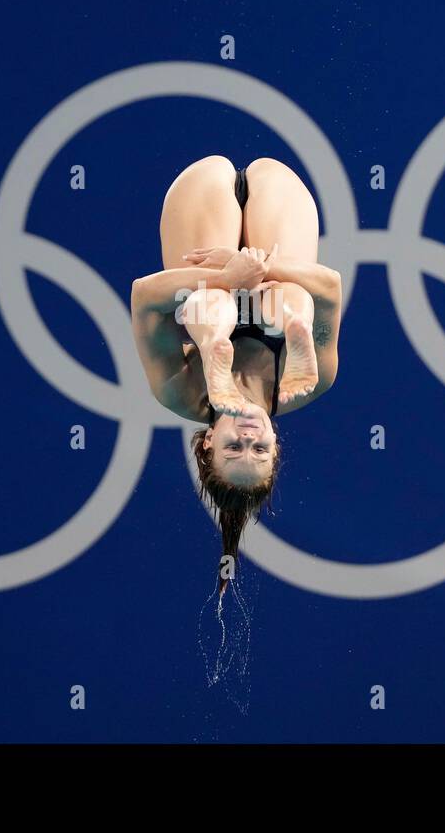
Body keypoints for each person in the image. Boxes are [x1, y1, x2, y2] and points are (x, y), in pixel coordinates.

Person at [130, 156, 343, 594]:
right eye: (259, 447)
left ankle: (212, 344)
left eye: (235, 446)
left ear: (208, 441)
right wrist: (262, 269)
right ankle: (293, 328)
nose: (249, 433)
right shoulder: (311, 381)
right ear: (276, 445)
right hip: (276, 245)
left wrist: (226, 275)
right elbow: (330, 287)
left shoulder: (180, 392)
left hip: (202, 234)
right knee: (289, 300)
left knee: (208, 307)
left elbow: (145, 296)